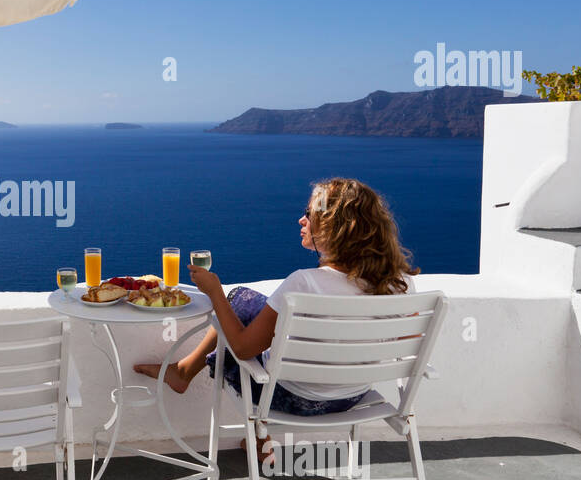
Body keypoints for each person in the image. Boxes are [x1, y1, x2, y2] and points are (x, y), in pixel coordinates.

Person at [133, 177, 419, 461]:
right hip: (353, 398)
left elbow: (244, 349)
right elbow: (406, 347)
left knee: (236, 303)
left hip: (292, 400)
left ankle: (189, 377)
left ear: (333, 227)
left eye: (309, 214)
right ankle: (188, 376)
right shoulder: (401, 283)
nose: (301, 220)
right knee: (250, 308)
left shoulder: (305, 284)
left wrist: (215, 292)